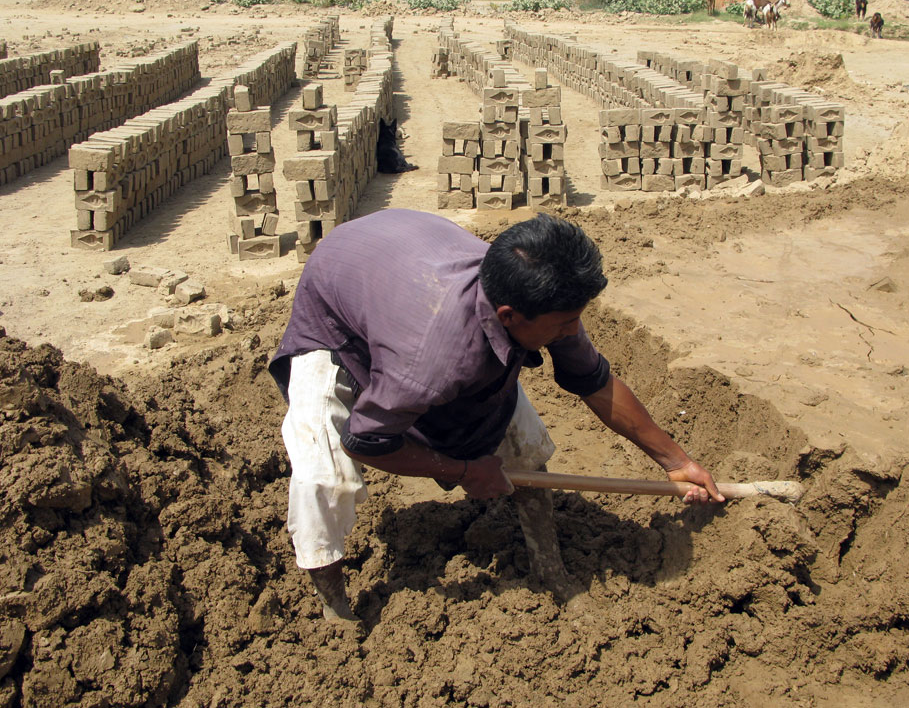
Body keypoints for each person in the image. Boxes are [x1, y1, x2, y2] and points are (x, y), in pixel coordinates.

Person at [269, 209, 723, 622]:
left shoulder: (540, 293)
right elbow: (365, 441)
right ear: (508, 315)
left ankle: (551, 569)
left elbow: (594, 381)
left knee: (525, 447)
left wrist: (676, 461)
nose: (571, 331)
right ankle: (336, 610)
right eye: (564, 324)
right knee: (322, 478)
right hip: (336, 305)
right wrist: (464, 470)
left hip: (400, 258)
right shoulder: (429, 364)